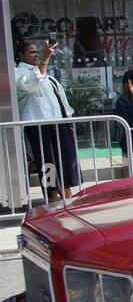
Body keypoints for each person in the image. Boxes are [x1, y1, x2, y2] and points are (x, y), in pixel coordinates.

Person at [14, 38, 80, 201]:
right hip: (40, 126)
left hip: (58, 123)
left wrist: (68, 122)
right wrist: (45, 59)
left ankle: (67, 197)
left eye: (37, 51)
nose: (36, 54)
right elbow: (31, 84)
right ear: (20, 55)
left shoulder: (45, 74)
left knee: (64, 163)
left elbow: (60, 100)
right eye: (32, 52)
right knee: (48, 164)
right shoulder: (19, 73)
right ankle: (52, 199)